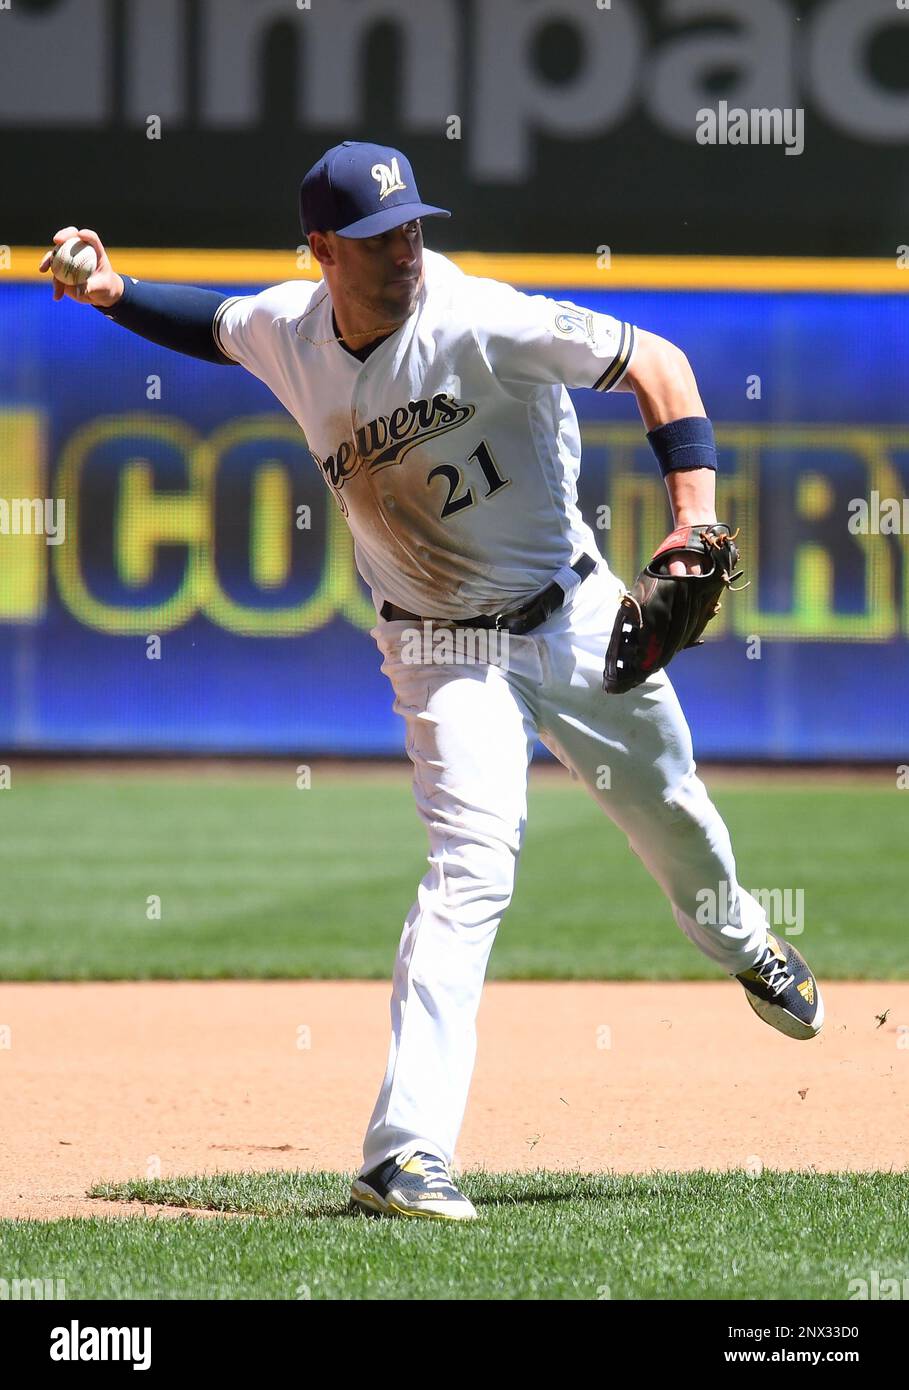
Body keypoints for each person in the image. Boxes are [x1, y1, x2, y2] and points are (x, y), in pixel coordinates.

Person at [41, 141, 823, 1224]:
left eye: (412, 226)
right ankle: (403, 1154)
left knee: (673, 813)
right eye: (374, 238)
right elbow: (213, 324)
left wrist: (693, 515)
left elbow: (662, 364)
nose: (404, 249)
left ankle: (746, 944)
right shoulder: (290, 328)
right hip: (437, 646)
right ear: (321, 250)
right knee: (472, 866)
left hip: (575, 611)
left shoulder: (485, 319)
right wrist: (110, 288)